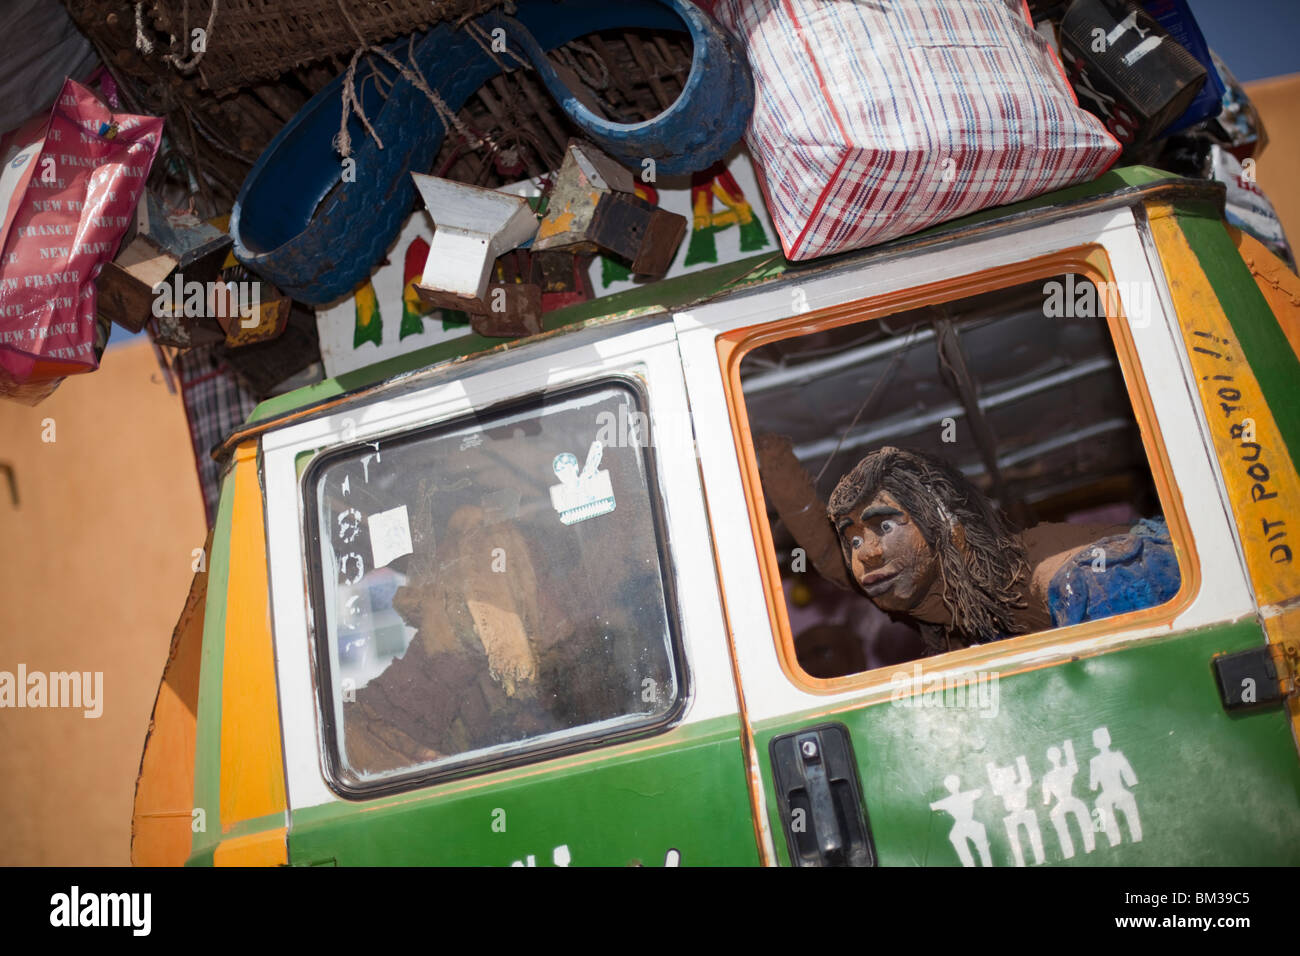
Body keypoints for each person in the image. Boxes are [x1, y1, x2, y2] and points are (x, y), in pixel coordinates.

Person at [827, 446, 1180, 656]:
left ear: (944, 520)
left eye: (885, 526)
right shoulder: (959, 621)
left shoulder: (1087, 580)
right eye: (853, 541)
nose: (866, 554)